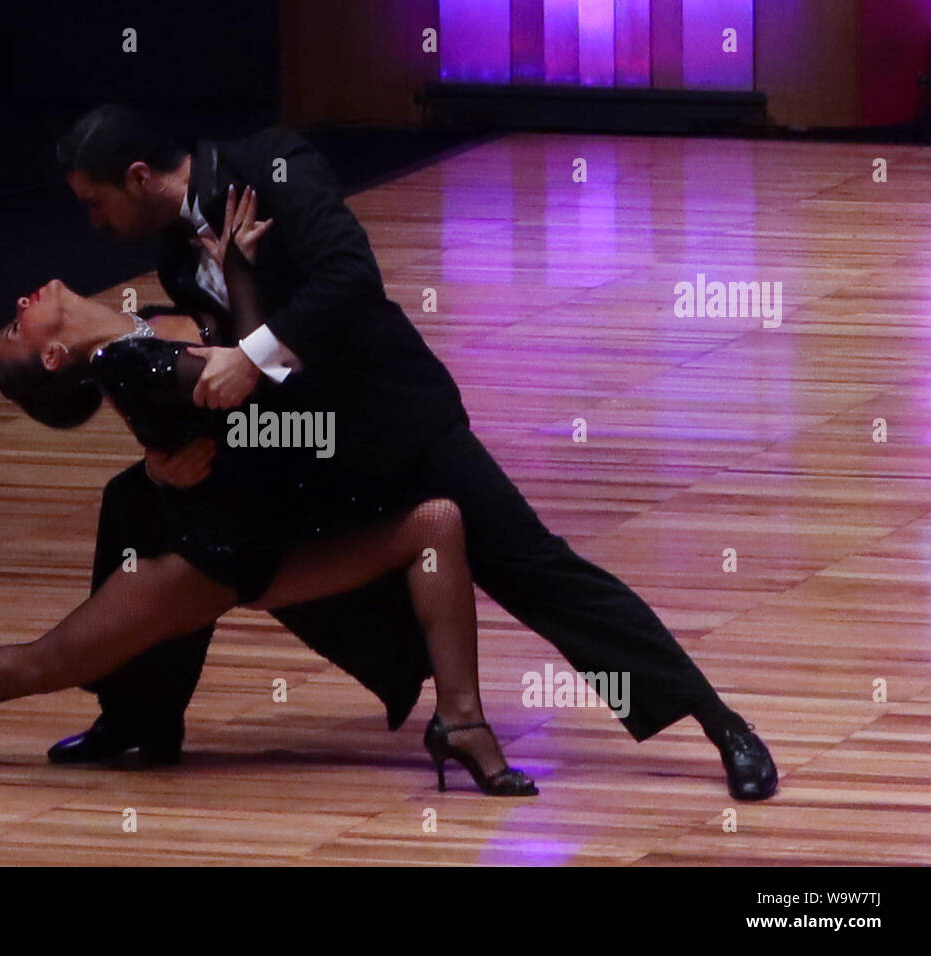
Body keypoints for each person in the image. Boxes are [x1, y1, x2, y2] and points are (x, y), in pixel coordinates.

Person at [50, 104, 779, 801]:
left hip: (396, 425)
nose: (92, 222)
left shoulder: (273, 164)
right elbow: (214, 367)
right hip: (304, 448)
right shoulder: (176, 257)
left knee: (537, 571)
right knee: (147, 502)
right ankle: (138, 717)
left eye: (94, 202)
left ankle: (720, 724)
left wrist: (254, 354)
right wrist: (165, 458)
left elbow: (350, 278)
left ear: (140, 177)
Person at [0, 196, 537, 797]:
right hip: (219, 562)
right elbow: (262, 384)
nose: (22, 298)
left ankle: (463, 723)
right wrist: (239, 272)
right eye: (19, 322)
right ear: (49, 352)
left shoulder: (146, 325)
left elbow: (250, 366)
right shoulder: (127, 365)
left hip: (276, 540)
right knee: (43, 662)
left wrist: (229, 269)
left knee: (439, 522)